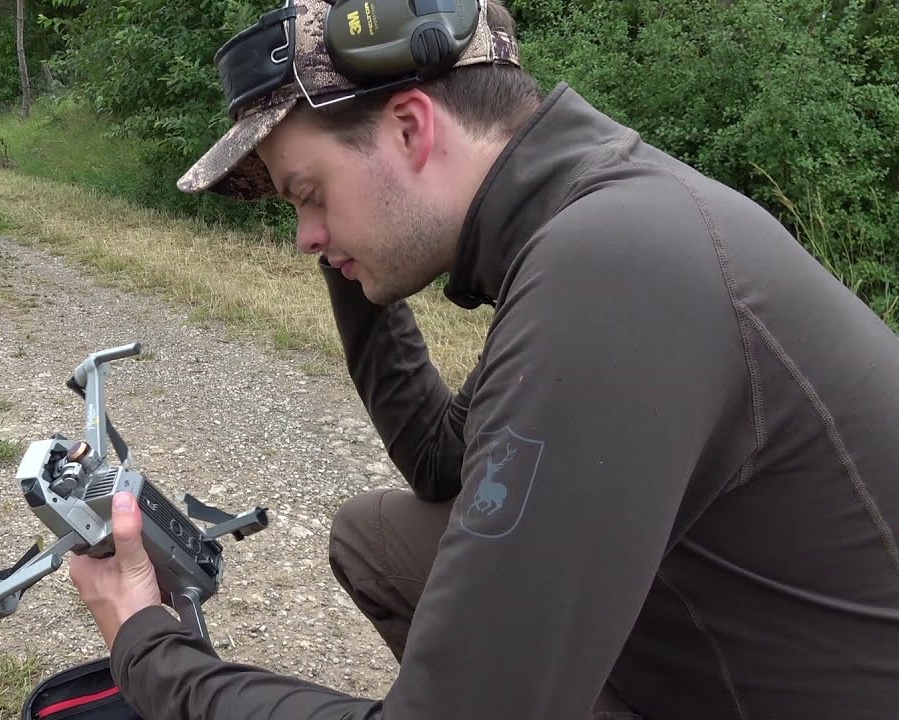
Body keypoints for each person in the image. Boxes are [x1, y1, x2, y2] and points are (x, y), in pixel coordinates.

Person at [67, 0, 899, 717]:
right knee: (379, 539)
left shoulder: (612, 270)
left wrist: (150, 650)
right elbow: (442, 461)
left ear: (410, 128)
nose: (305, 238)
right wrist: (353, 256)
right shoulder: (586, 224)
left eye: (309, 194)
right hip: (725, 643)